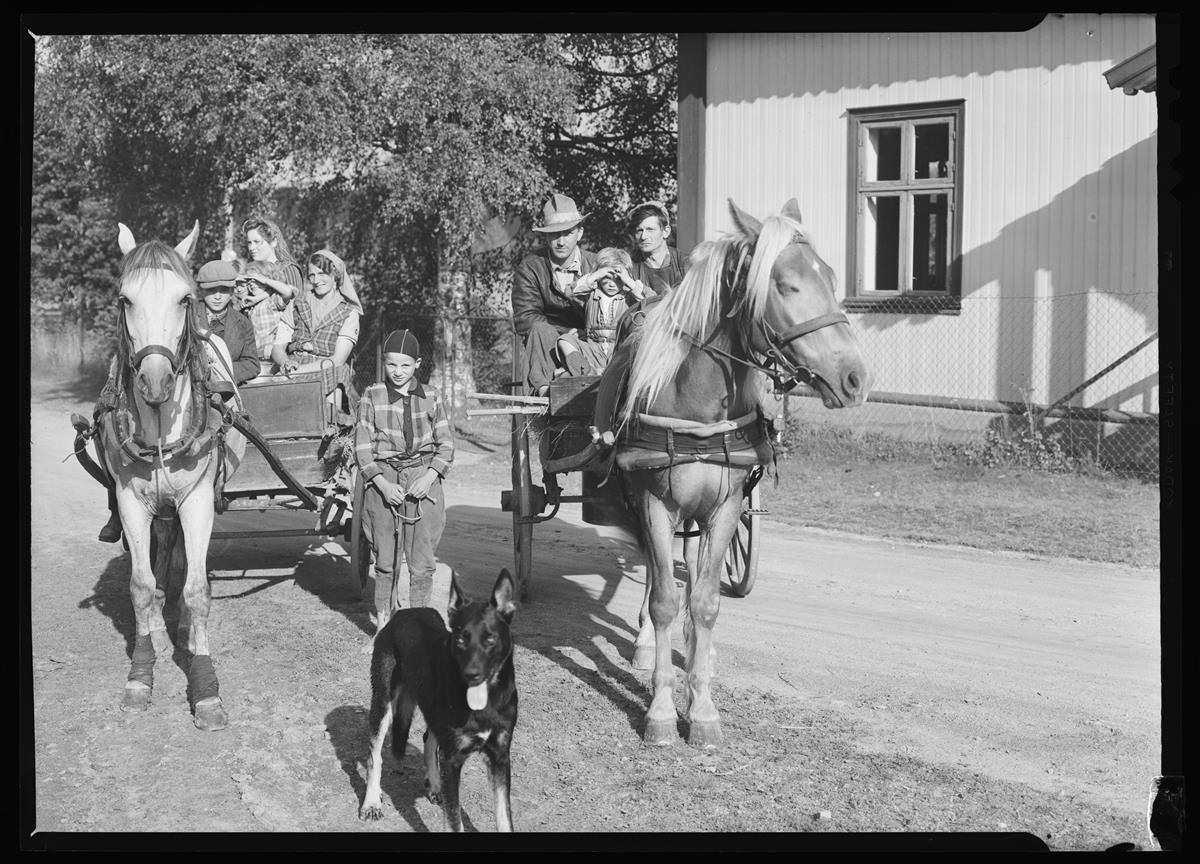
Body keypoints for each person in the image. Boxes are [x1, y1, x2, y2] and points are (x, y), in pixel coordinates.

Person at [354, 329, 455, 634]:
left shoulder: (432, 396)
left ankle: (418, 629)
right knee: (385, 559)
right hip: (384, 480)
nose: (398, 372)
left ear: (418, 364)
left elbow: (446, 443)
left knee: (422, 561)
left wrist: (429, 477)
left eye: (405, 365)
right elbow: (362, 447)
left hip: (422, 479)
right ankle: (384, 629)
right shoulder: (372, 396)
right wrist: (383, 485)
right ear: (383, 363)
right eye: (391, 365)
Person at [511, 193, 605, 395]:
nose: (561, 241)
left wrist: (583, 335)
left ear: (580, 233)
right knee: (539, 329)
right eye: (554, 234)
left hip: (589, 345)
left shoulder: (598, 265)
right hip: (545, 349)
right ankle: (545, 396)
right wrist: (565, 336)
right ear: (545, 236)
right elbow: (525, 319)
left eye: (567, 233)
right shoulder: (530, 267)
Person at [271, 249, 363, 416]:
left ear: (335, 275)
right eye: (312, 275)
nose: (316, 280)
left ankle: (329, 427)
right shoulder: (297, 303)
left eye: (322, 274)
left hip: (326, 370)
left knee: (336, 383)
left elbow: (338, 360)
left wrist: (299, 372)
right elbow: (278, 348)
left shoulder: (348, 312)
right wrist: (285, 363)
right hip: (293, 367)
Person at [557, 247, 652, 377]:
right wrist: (595, 275)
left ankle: (617, 372)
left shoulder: (629, 296)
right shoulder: (591, 294)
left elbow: (653, 301)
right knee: (564, 340)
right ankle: (588, 371)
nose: (612, 284)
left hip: (619, 350)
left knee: (639, 345)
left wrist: (629, 281)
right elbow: (569, 291)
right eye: (607, 278)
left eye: (618, 279)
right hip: (593, 348)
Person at [240, 216, 305, 365]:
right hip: (257, 352)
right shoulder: (252, 274)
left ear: (273, 242)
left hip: (284, 352)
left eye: (257, 242)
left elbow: (297, 311)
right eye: (249, 242)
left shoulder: (288, 270)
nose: (251, 247)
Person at [194, 260, 261, 386]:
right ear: (202, 291)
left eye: (224, 290)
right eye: (211, 290)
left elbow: (252, 364)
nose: (218, 297)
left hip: (228, 390)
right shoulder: (189, 318)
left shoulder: (243, 323)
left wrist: (221, 373)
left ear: (232, 292)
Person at [627, 200, 686, 296]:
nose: (643, 236)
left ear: (666, 231)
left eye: (650, 229)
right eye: (639, 230)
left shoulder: (685, 263)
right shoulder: (629, 266)